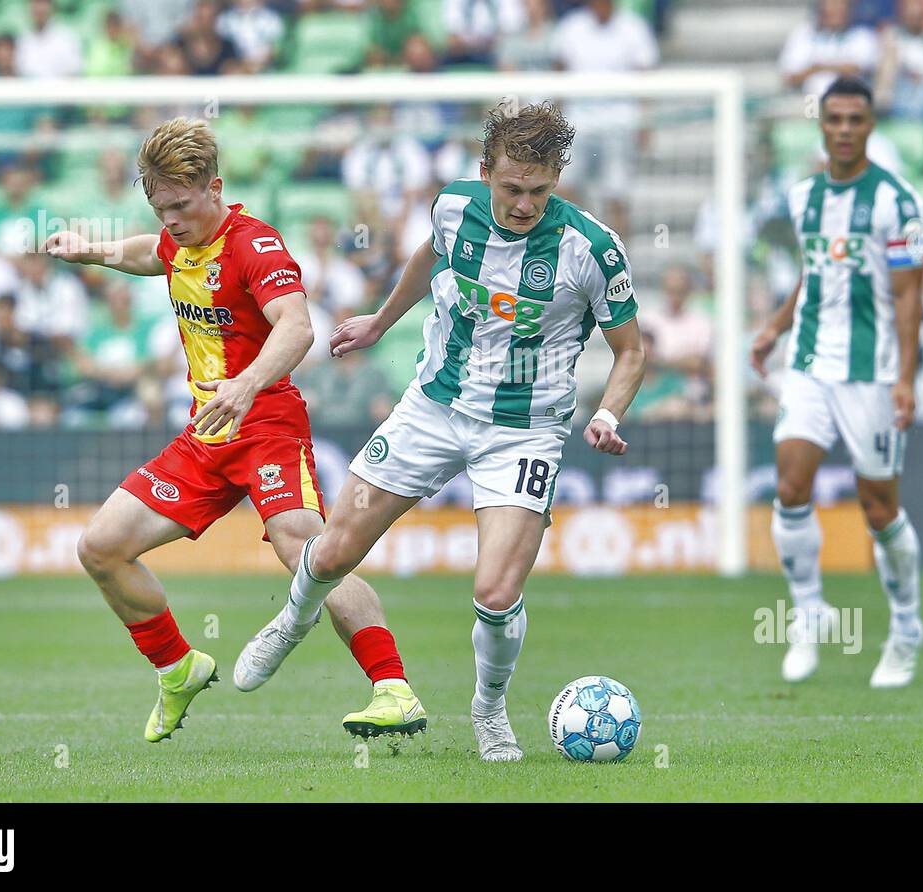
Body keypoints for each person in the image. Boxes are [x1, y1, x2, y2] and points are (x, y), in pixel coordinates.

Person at [233, 102, 645, 761]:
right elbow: (430, 257)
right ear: (485, 174)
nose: (522, 205)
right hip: (433, 407)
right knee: (335, 550)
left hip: (524, 431)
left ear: (556, 181)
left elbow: (631, 351)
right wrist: (380, 322)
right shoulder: (454, 206)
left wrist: (605, 414)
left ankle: (489, 709)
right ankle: (292, 618)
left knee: (496, 591)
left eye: (539, 191)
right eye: (510, 189)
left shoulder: (591, 248)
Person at [42, 118, 421, 743]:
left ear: (214, 188)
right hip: (206, 435)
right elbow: (153, 254)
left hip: (266, 421)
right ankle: (178, 666)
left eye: (182, 207)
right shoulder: (178, 242)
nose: (171, 221)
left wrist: (246, 385)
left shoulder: (255, 245)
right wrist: (96, 251)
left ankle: (392, 688)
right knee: (100, 547)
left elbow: (297, 327)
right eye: (160, 208)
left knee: (308, 551)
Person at [750, 76, 923, 689]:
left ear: (871, 125)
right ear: (821, 125)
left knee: (880, 509)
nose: (845, 129)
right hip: (807, 363)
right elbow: (811, 274)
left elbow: (908, 298)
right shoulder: (802, 199)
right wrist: (775, 325)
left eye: (856, 119)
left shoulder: (897, 202)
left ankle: (906, 628)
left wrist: (906, 377)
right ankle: (809, 610)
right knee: (790, 485)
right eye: (835, 120)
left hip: (872, 374)